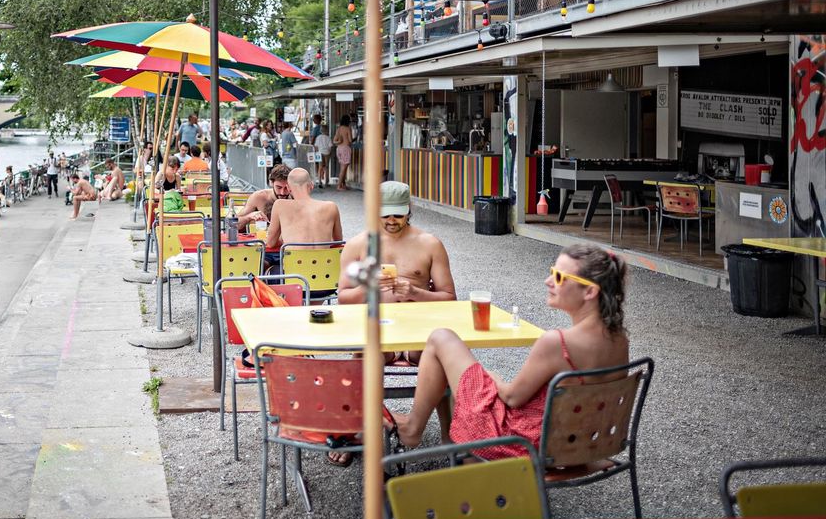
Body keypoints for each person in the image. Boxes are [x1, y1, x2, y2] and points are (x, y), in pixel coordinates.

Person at [391, 244, 630, 455]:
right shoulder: (619, 339)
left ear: (590, 292)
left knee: (441, 338)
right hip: (580, 443)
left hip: (521, 442)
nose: (548, 281)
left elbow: (511, 398)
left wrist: (493, 379)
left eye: (559, 277)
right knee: (457, 358)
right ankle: (445, 438)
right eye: (551, 272)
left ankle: (414, 428)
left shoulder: (557, 342)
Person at [338, 180, 456, 360]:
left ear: (409, 209)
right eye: (385, 215)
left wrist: (415, 293)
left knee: (440, 354)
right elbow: (343, 299)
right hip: (375, 326)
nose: (392, 220)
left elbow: (449, 298)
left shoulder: (430, 244)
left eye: (398, 215)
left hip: (419, 326)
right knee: (364, 358)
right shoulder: (357, 245)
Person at [266, 167, 343, 277]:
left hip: (295, 282)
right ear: (311, 186)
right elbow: (338, 241)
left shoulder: (280, 205)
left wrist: (286, 239)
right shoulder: (331, 207)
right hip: (327, 281)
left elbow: (270, 243)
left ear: (288, 188)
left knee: (268, 270)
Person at [236, 163, 292, 230]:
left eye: (286, 188)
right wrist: (249, 216)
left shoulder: (295, 198)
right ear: (271, 183)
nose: (282, 192)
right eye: (279, 187)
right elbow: (235, 225)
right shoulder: (259, 197)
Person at [333, 115, 354, 191]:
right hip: (345, 148)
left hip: (339, 149)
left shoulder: (338, 129)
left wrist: (340, 141)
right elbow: (350, 140)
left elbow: (334, 140)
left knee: (343, 167)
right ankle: (339, 186)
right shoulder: (348, 129)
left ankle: (343, 185)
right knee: (343, 168)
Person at [313, 123, 332, 189]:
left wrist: (316, 152)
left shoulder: (318, 137)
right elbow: (330, 147)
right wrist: (330, 152)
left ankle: (320, 181)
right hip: (326, 153)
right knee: (326, 167)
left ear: (321, 130)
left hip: (319, 153)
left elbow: (316, 146)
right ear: (327, 130)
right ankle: (326, 182)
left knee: (320, 167)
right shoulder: (328, 138)